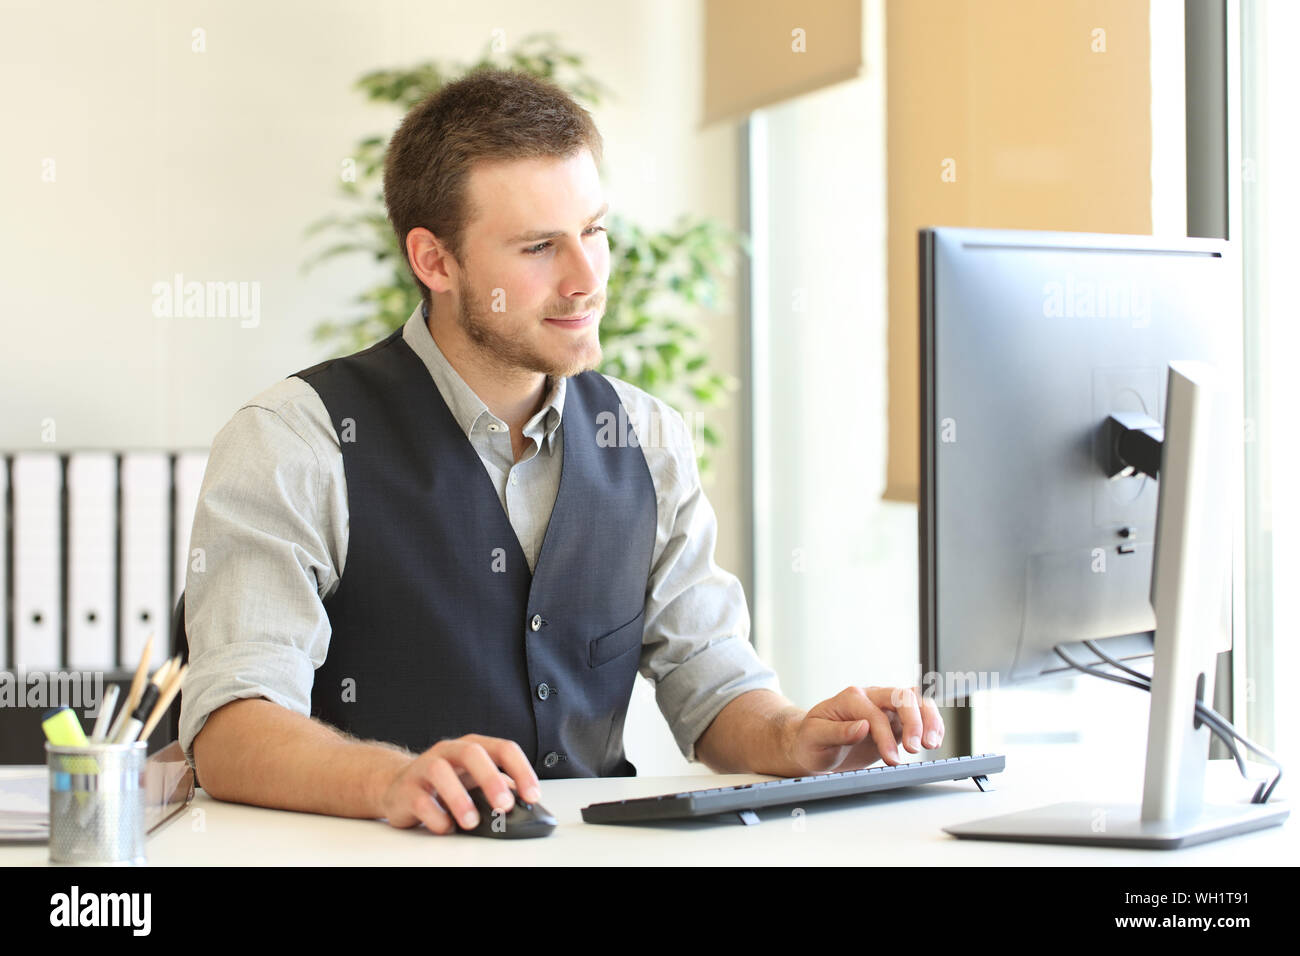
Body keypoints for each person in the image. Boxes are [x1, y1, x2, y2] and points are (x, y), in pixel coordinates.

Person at [180, 68, 943, 836]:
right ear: (435, 262)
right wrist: (391, 779)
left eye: (596, 231)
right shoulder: (293, 439)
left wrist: (795, 736)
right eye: (540, 247)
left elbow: (709, 682)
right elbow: (231, 728)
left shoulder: (647, 437)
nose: (587, 280)